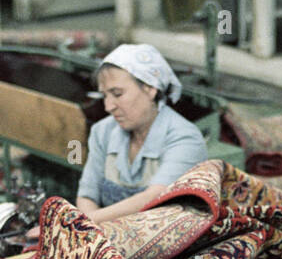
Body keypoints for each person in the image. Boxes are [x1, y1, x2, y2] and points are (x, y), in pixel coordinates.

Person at [26, 43, 207, 239]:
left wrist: (76, 224)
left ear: (150, 88)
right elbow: (88, 194)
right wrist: (90, 233)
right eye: (104, 96)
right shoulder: (102, 132)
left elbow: (155, 196)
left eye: (118, 94)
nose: (108, 106)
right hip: (109, 239)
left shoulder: (185, 138)